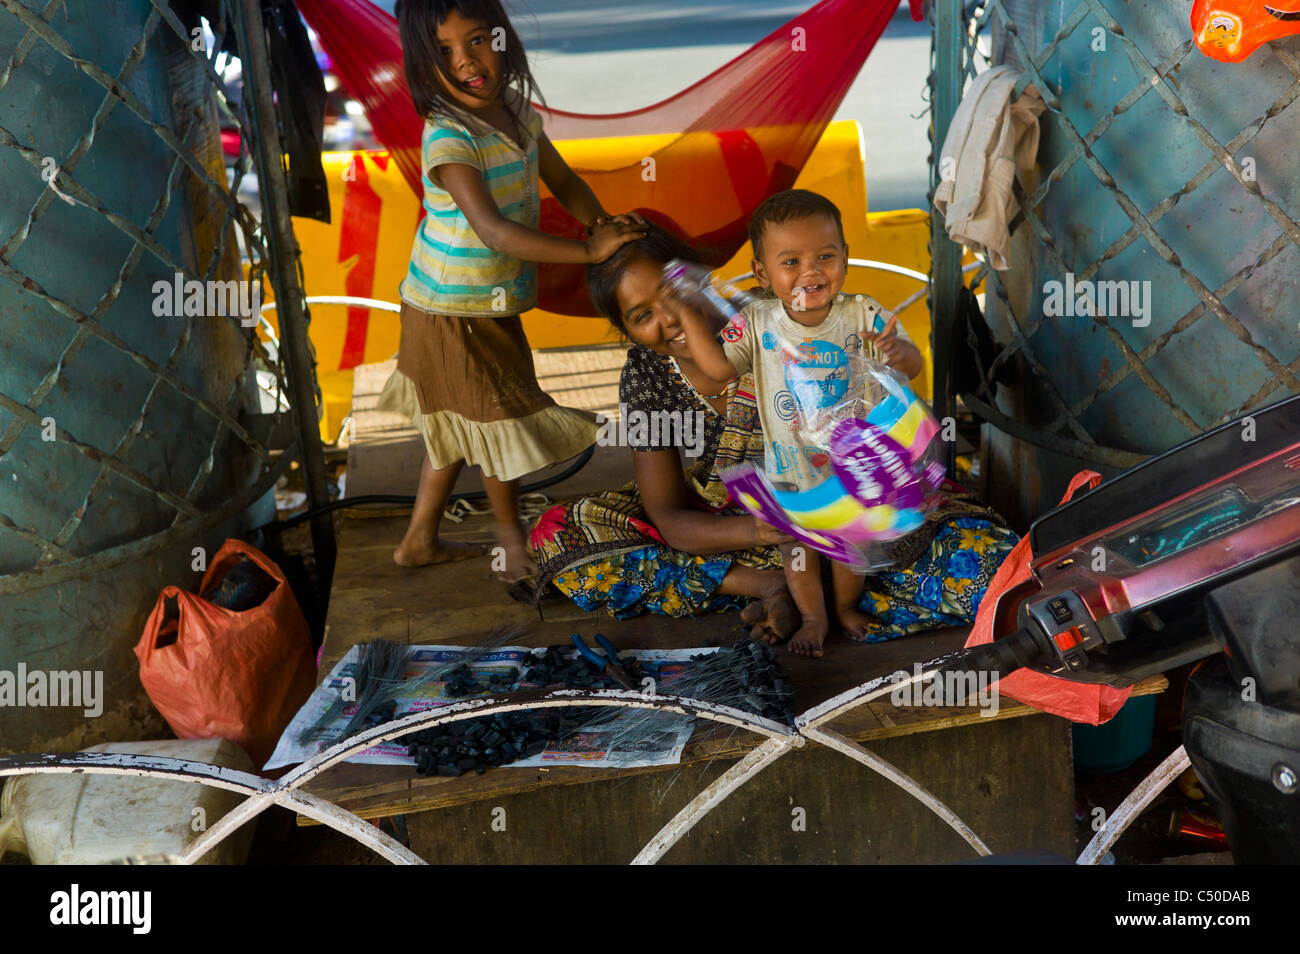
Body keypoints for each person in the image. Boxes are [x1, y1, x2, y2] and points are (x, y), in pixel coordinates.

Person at [384, 0, 646, 587]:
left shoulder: (518, 114)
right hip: (449, 308)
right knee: (498, 424)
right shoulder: (448, 138)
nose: (466, 62)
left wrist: (601, 225)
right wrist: (588, 254)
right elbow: (494, 231)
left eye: (477, 41)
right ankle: (510, 543)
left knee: (457, 420)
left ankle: (418, 541)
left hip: (485, 303)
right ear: (424, 65)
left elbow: (566, 182)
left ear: (503, 41)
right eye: (445, 52)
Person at [673, 189, 927, 658]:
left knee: (851, 545)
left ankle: (846, 608)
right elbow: (716, 369)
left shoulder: (863, 313)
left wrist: (899, 353)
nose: (811, 272)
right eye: (791, 261)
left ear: (845, 259)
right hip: (790, 469)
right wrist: (689, 312)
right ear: (761, 273)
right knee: (798, 548)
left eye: (825, 256)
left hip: (854, 466)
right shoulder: (755, 321)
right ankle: (814, 616)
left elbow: (910, 365)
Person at [530, 227, 799, 642]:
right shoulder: (645, 375)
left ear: (700, 275)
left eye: (672, 292)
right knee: (559, 535)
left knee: (921, 559)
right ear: (627, 330)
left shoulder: (775, 321)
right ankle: (766, 584)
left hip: (815, 507)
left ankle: (798, 580)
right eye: (642, 316)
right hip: (731, 517)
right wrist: (758, 531)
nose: (669, 319)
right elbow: (670, 516)